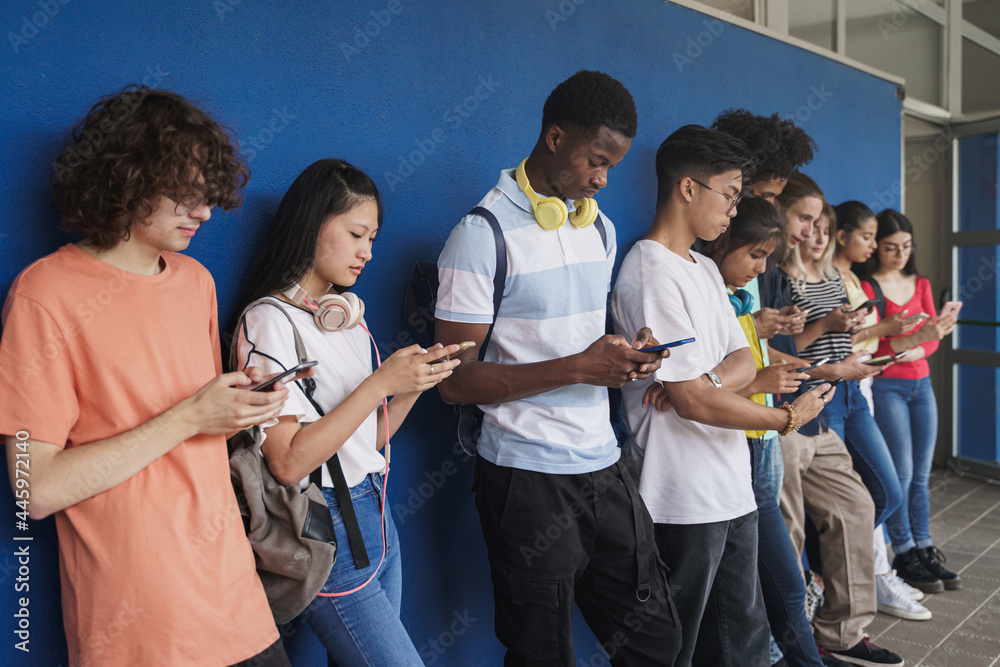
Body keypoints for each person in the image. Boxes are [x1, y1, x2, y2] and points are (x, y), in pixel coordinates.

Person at [0, 87, 294, 666]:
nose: (205, 212)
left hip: (237, 603)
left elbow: (198, 431)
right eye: (186, 194)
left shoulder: (196, 282)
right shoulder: (44, 294)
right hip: (139, 629)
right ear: (128, 178)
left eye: (207, 195)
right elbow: (35, 490)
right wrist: (191, 416)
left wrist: (240, 404)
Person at [434, 70, 680, 666]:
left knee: (657, 640)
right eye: (595, 160)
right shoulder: (480, 235)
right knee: (542, 653)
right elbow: (453, 382)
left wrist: (625, 349)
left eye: (611, 168)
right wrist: (577, 366)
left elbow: (582, 337)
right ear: (554, 138)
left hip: (605, 464)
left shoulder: (598, 226)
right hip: (527, 479)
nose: (601, 179)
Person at [611, 124, 831, 667]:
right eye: (730, 195)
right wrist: (783, 419)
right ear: (688, 188)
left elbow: (741, 361)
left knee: (743, 647)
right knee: (674, 649)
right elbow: (692, 403)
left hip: (731, 487)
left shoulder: (706, 268)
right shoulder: (648, 271)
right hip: (680, 497)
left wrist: (699, 384)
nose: (735, 210)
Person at [233, 159, 458, 664]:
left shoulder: (348, 324)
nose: (367, 253)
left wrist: (415, 386)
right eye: (357, 234)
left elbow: (366, 441)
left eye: (373, 239)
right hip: (323, 526)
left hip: (377, 515)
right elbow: (288, 463)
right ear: (313, 225)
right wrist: (379, 383)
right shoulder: (268, 322)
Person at [701, 196, 830, 667]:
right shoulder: (705, 298)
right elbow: (701, 389)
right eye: (755, 255)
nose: (760, 269)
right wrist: (766, 386)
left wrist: (813, 369)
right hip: (739, 446)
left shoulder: (735, 297)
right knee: (777, 586)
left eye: (766, 259)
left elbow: (746, 365)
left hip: (755, 442)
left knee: (766, 588)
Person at [829, 202, 934, 621]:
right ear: (844, 236)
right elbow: (831, 342)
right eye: (872, 239)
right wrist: (885, 331)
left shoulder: (855, 278)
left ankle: (885, 568)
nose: (876, 248)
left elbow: (875, 341)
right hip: (844, 389)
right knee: (875, 487)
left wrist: (924, 333)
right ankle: (867, 573)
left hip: (864, 386)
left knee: (891, 487)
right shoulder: (838, 279)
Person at [859, 209, 960, 594]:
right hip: (888, 389)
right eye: (890, 247)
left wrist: (916, 347)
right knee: (899, 475)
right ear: (876, 248)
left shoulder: (921, 283)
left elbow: (932, 335)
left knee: (921, 475)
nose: (899, 254)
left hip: (922, 386)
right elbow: (878, 347)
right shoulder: (870, 289)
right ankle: (902, 550)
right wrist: (916, 343)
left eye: (905, 247)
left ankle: (923, 546)